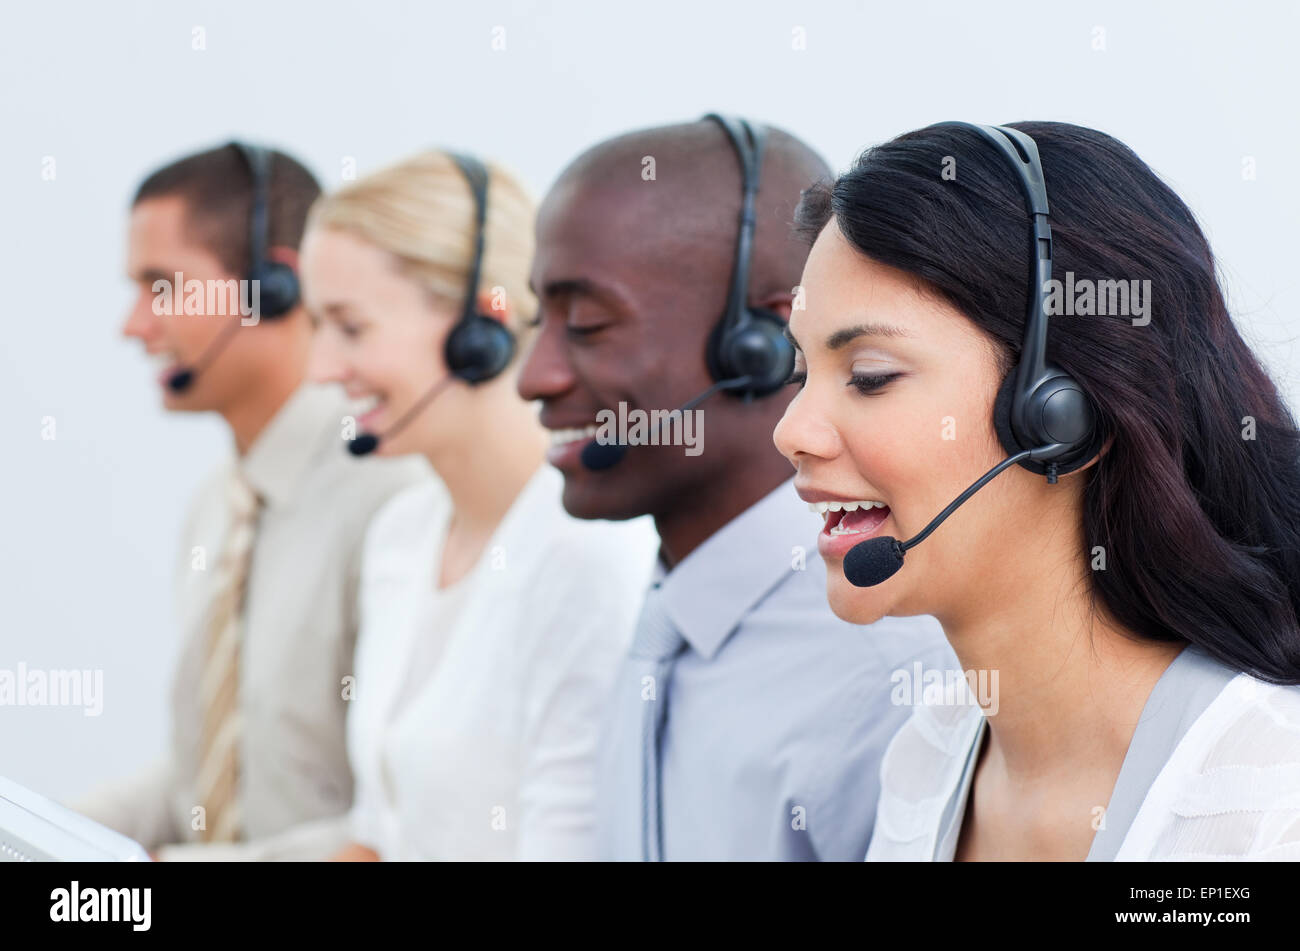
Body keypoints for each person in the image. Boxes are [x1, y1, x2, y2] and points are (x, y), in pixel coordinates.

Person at [775, 119, 1300, 861]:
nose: (792, 431)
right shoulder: (935, 748)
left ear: (1063, 414)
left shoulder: (1265, 800)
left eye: (869, 376)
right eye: (799, 374)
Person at [518, 115, 953, 861]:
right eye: (538, 319)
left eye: (586, 323)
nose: (535, 375)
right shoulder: (667, 614)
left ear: (761, 346)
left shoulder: (885, 678)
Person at [297, 148, 657, 861]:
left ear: (479, 332)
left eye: (351, 326)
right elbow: (375, 839)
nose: (320, 369)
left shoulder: (583, 555)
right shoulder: (403, 533)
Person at [77, 143, 426, 859]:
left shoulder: (395, 496)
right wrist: (47, 832)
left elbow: (398, 822)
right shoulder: (219, 507)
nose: (134, 325)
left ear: (271, 285)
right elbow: (210, 773)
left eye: (162, 286)